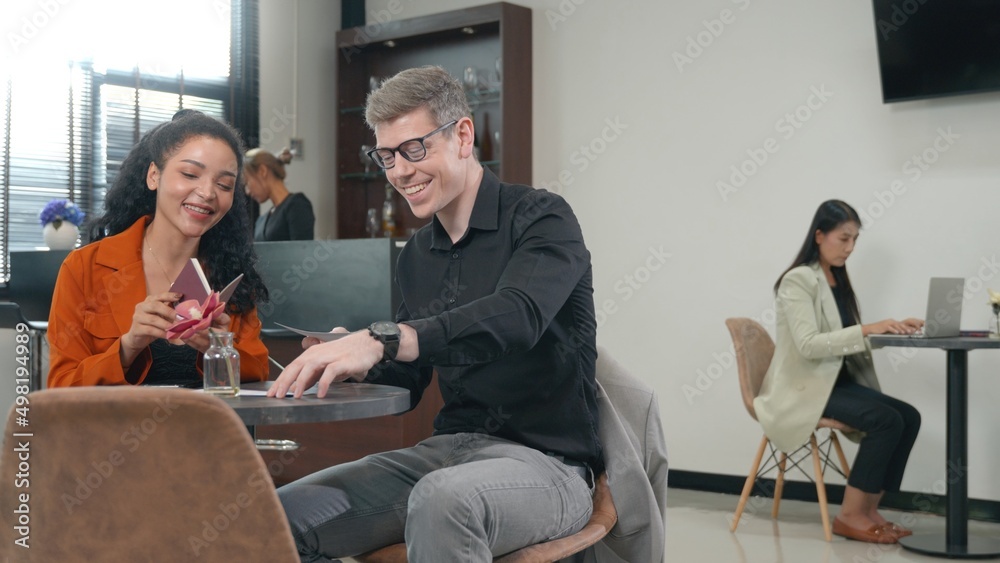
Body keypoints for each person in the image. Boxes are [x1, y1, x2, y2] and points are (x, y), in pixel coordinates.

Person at [268, 66, 602, 562]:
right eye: (386, 156)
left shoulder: (542, 218)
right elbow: (410, 378)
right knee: (278, 514)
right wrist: (355, 365)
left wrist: (385, 336)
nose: (400, 170)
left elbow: (518, 315)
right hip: (447, 453)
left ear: (463, 136)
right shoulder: (417, 254)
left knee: (442, 501)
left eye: (414, 148)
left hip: (549, 465)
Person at [47, 110, 270, 388]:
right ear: (154, 176)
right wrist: (128, 347)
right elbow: (62, 385)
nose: (208, 192)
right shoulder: (85, 268)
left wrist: (221, 350)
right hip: (116, 431)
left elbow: (260, 374)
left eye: (224, 184)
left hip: (212, 430)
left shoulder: (230, 273)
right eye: (190, 174)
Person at [754, 199, 922, 544]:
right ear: (819, 235)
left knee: (909, 416)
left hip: (834, 383)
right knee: (886, 420)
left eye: (854, 240)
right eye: (843, 238)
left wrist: (887, 328)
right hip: (805, 388)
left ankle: (869, 511)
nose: (850, 247)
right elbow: (809, 344)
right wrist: (866, 329)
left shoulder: (837, 280)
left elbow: (843, 340)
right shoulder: (799, 280)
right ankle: (849, 516)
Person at [244, 147, 315, 241]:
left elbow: (302, 252)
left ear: (262, 171)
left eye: (247, 182)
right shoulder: (261, 220)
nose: (247, 191)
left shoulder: (296, 205)